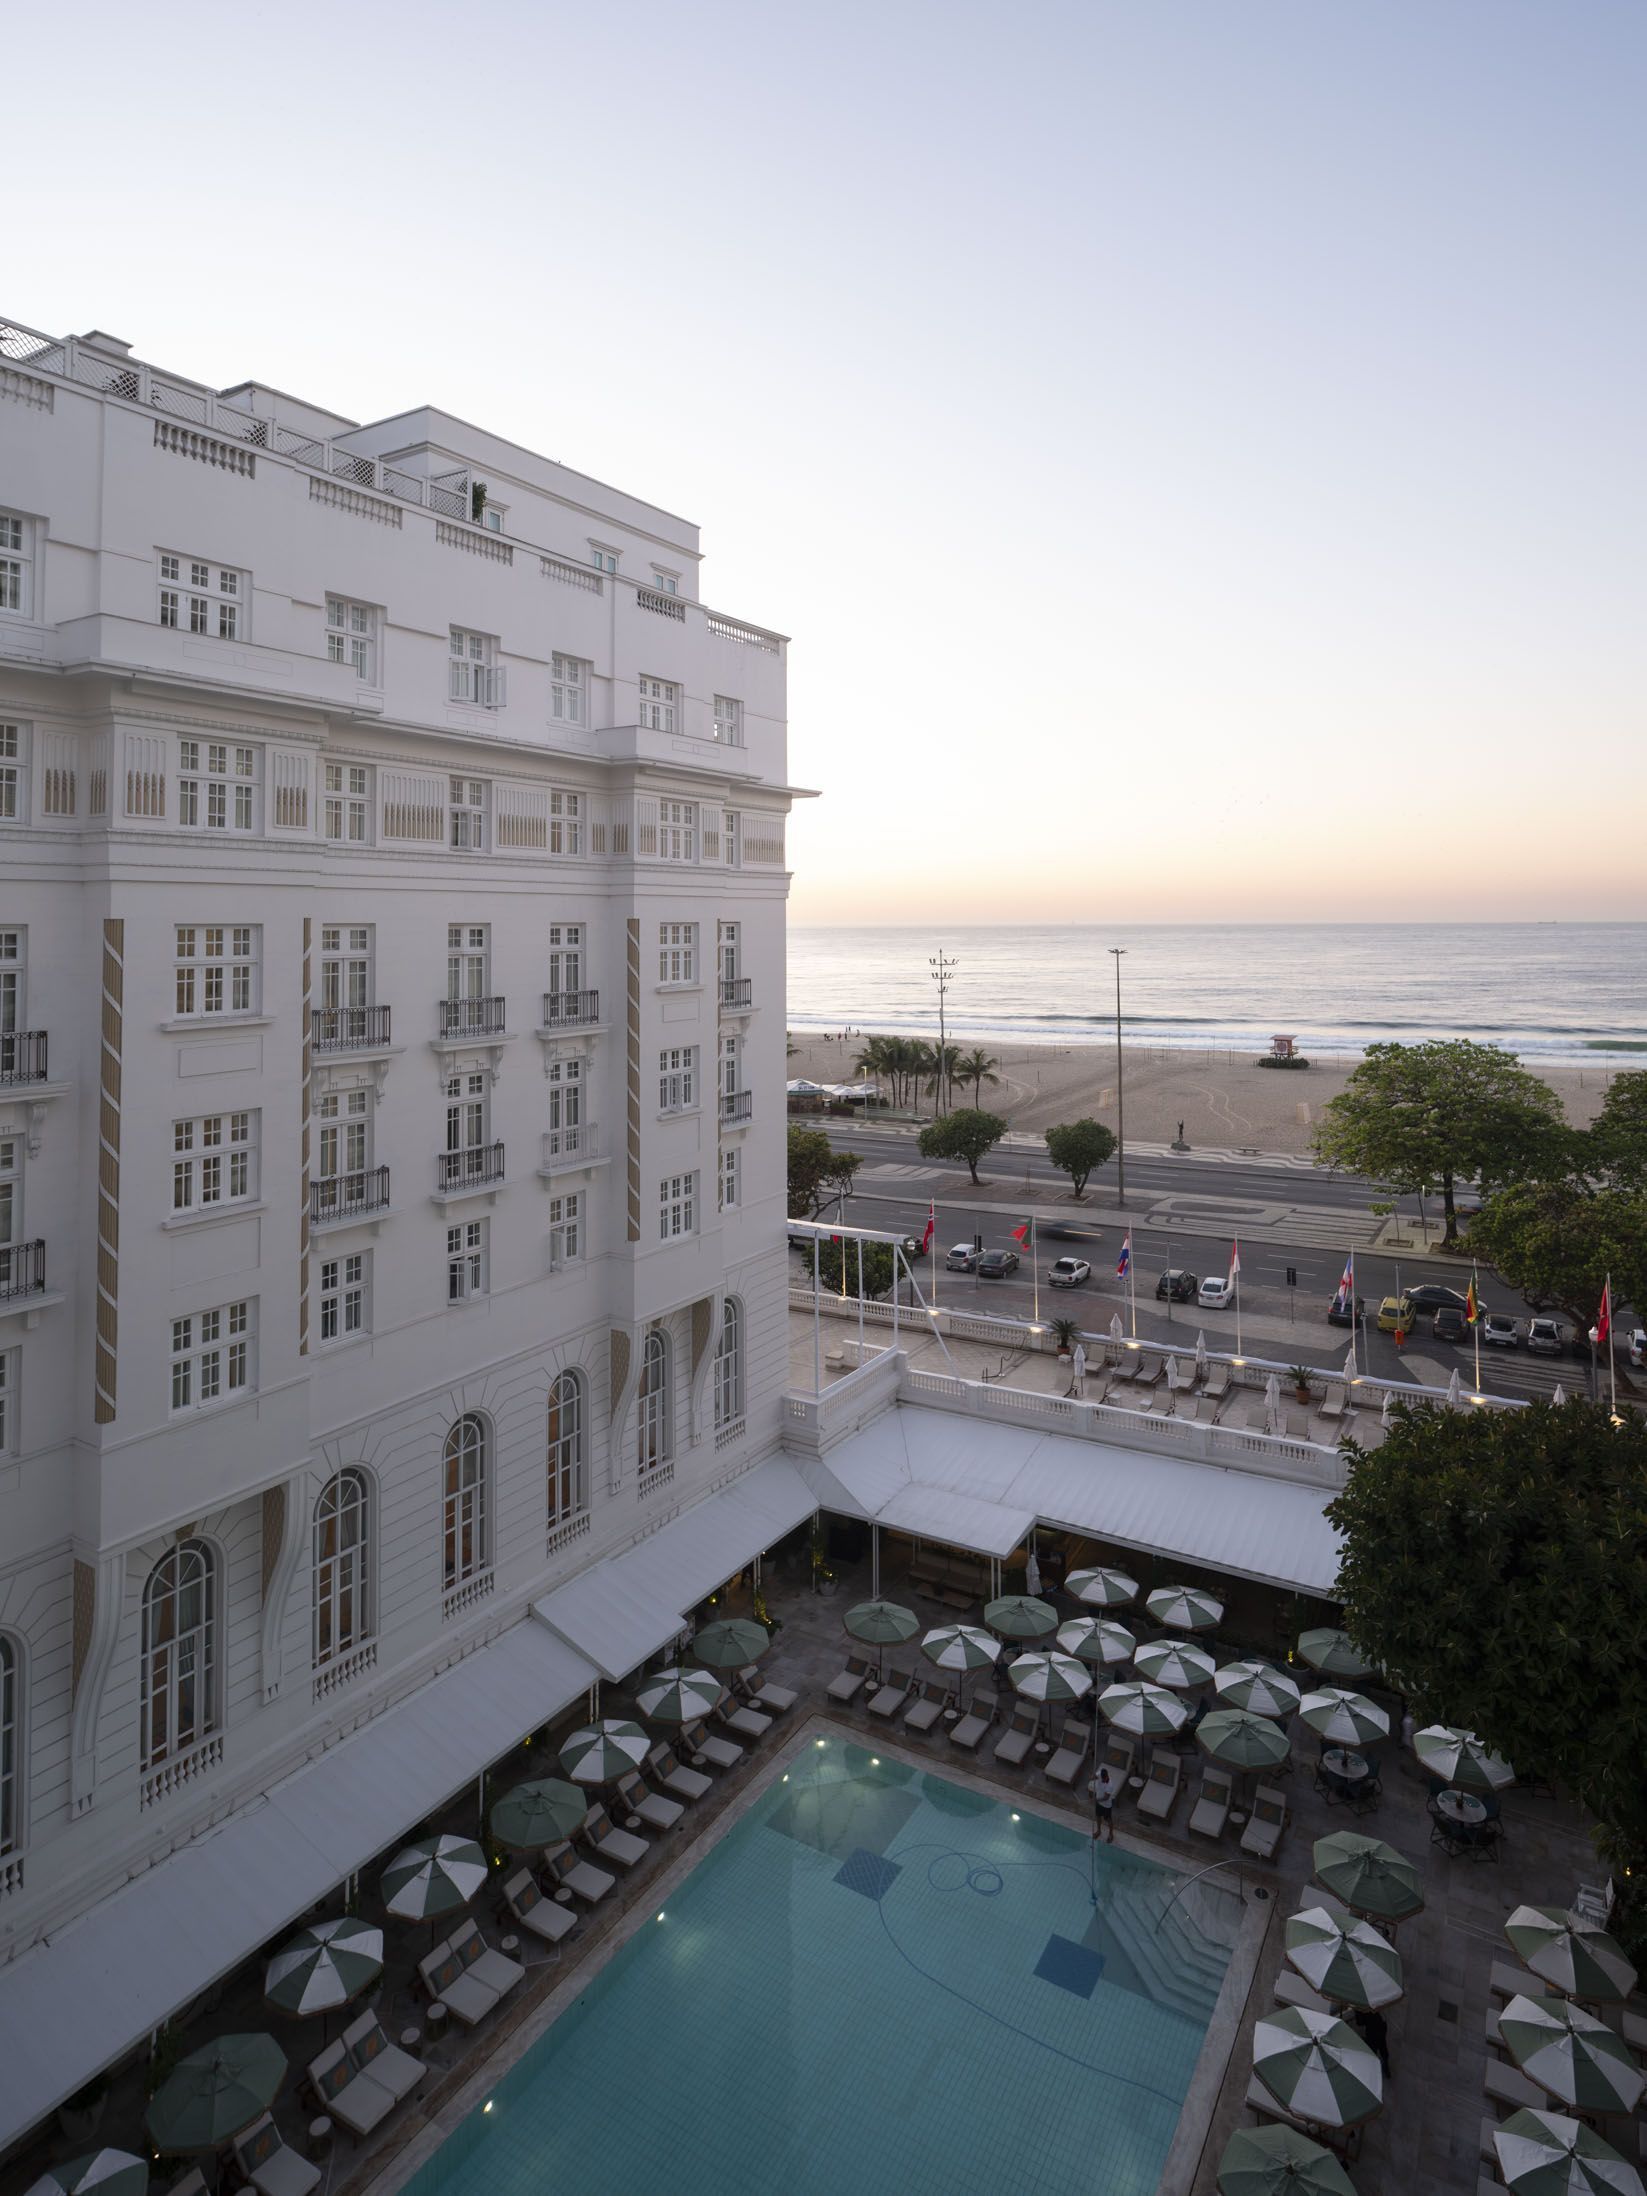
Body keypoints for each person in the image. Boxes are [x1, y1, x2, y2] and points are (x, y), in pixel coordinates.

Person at [1353, 2004, 1391, 2077]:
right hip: (1382, 2026)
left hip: (1372, 2031)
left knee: (1373, 2049)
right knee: (1382, 2045)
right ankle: (1386, 2066)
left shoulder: (1360, 2007)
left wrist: (1356, 2011)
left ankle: (1374, 2068)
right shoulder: (1374, 2002)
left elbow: (1360, 2023)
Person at [1092, 1764, 1117, 1841]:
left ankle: (1111, 1834)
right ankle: (1099, 1831)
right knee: (1098, 1816)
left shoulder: (1110, 1785)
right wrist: (1093, 1776)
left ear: (1106, 1776)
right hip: (1099, 1803)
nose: (1102, 1780)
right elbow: (1093, 1777)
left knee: (1108, 1820)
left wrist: (1097, 1800)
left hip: (1106, 1806)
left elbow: (1106, 1798)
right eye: (1101, 1779)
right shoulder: (1100, 1773)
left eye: (1103, 1779)